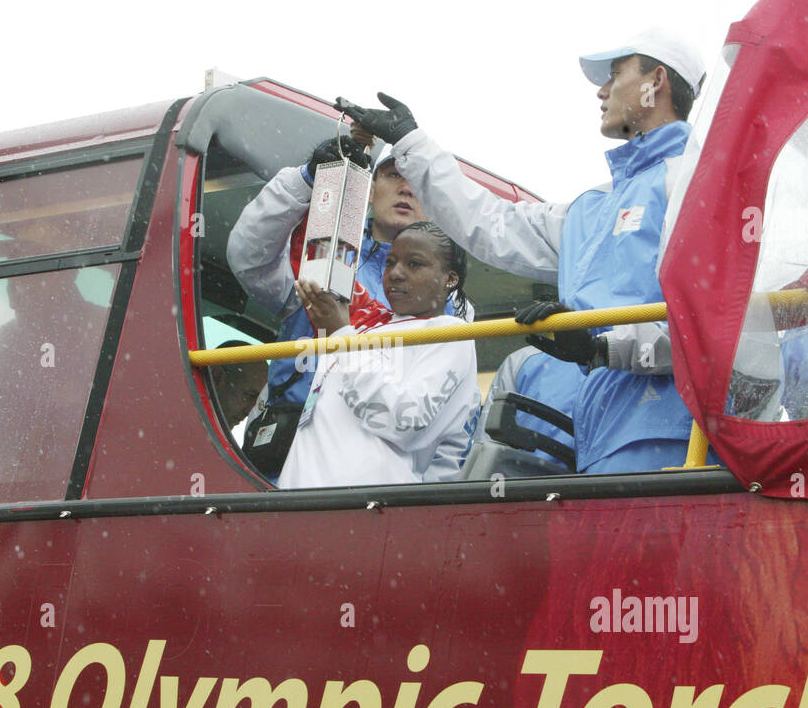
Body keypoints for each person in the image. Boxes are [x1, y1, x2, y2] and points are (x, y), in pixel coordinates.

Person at [337, 28, 709, 474]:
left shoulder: (696, 182)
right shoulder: (592, 208)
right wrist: (411, 142)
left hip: (674, 441)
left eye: (614, 74)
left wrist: (601, 345)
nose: (602, 91)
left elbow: (717, 325)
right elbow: (492, 224)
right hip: (597, 443)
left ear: (657, 82)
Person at [226, 128, 438, 477]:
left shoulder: (451, 303)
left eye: (417, 180)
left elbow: (449, 423)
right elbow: (248, 255)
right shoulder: (320, 252)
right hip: (292, 457)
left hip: (382, 473)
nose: (406, 187)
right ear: (368, 190)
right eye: (394, 174)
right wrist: (308, 178)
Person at [277, 222, 481, 489]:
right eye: (390, 262)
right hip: (297, 503)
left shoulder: (450, 333)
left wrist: (341, 337)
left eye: (414, 264)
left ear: (450, 279)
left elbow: (404, 422)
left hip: (368, 509)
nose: (395, 273)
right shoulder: (364, 326)